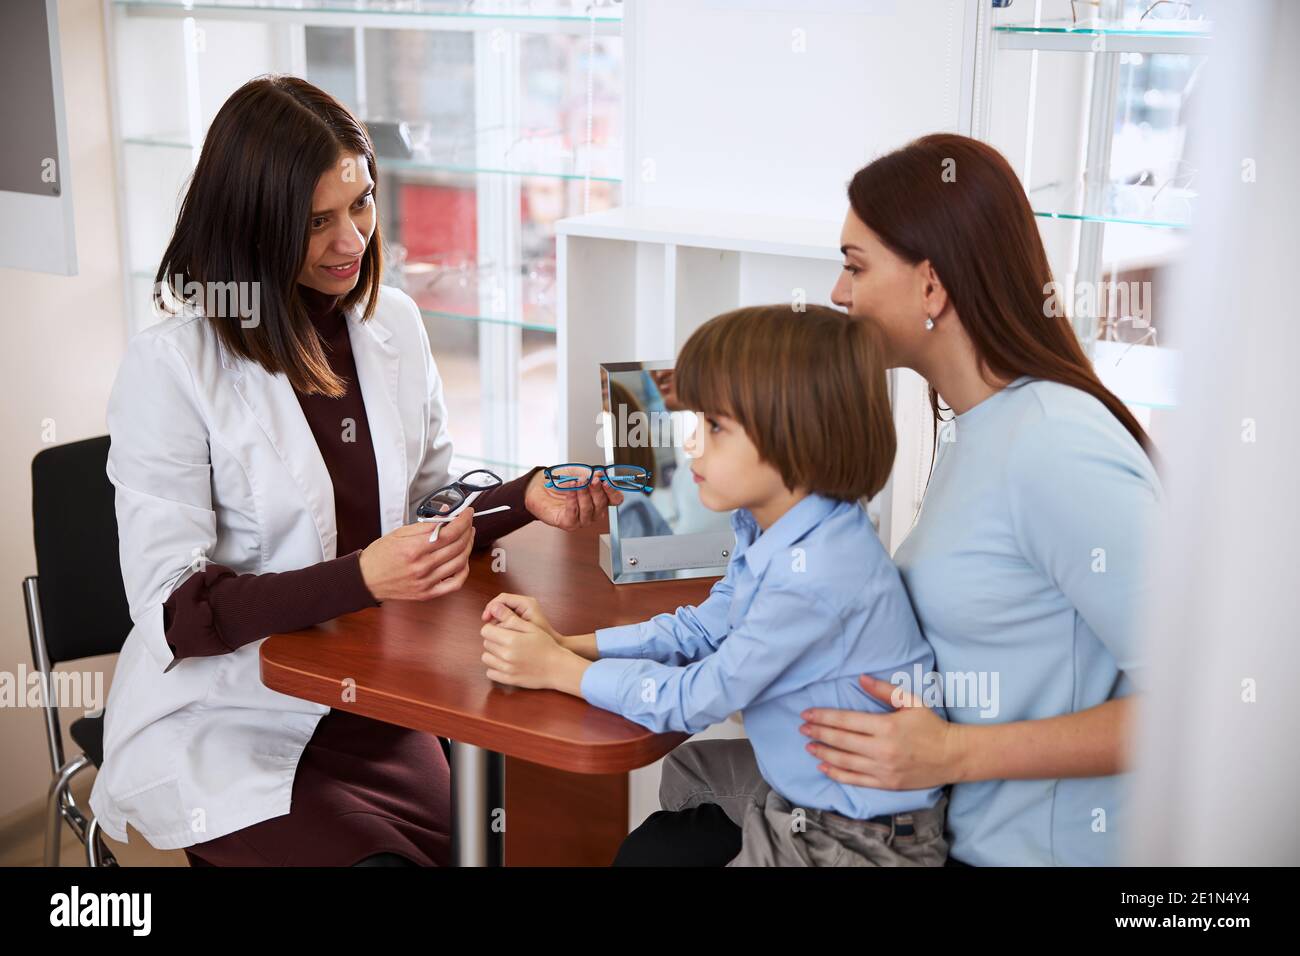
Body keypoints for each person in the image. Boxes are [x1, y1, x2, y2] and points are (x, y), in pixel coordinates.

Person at [87, 75, 623, 867]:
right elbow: (176, 613)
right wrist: (362, 578)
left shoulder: (391, 325)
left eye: (362, 203)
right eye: (317, 223)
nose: (353, 241)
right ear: (253, 226)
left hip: (372, 693)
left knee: (488, 840)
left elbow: (431, 510)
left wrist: (523, 497)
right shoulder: (171, 366)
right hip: (229, 711)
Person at [613, 133, 1163, 867]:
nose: (840, 294)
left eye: (855, 266)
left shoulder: (1056, 447)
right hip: (913, 817)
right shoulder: (977, 428)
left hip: (1015, 852)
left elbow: (1198, 708)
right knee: (668, 839)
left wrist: (955, 753)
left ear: (931, 286)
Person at [477, 304, 948, 866]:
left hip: (855, 840)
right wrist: (571, 645)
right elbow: (705, 626)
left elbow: (696, 697)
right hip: (809, 791)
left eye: (716, 427)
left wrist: (559, 672)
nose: (693, 445)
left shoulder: (819, 574)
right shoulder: (775, 527)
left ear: (797, 434)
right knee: (689, 773)